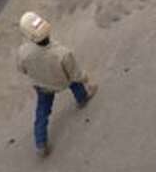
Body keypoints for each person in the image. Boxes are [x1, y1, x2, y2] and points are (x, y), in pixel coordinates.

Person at [16, 12, 96, 159]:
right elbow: (75, 73)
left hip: (43, 86)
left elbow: (22, 69)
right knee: (76, 84)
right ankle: (82, 98)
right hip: (63, 80)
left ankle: (41, 143)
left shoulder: (23, 52)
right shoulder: (63, 53)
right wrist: (86, 79)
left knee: (42, 114)